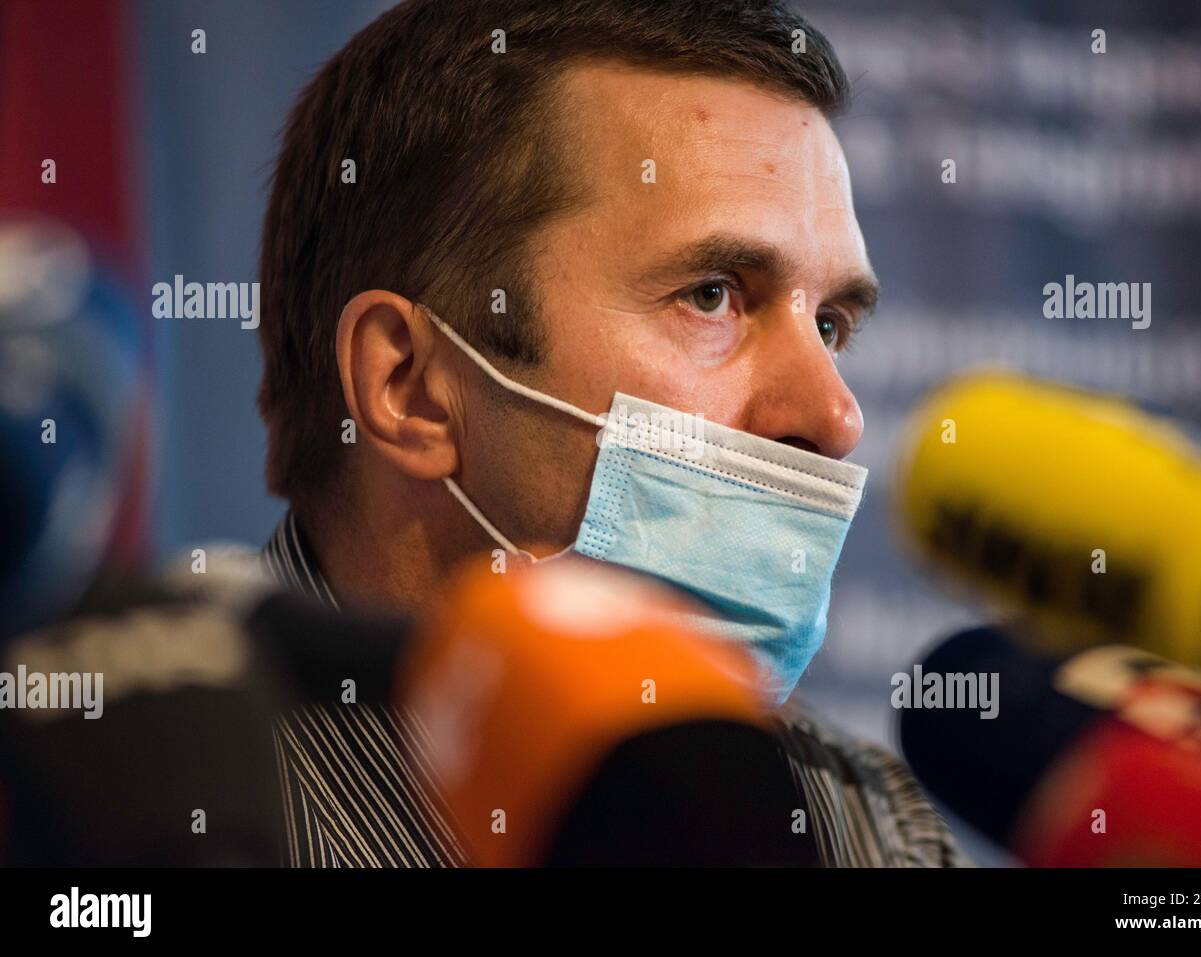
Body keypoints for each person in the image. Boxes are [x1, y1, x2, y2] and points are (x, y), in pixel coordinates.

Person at [255, 0, 962, 868]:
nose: (836, 417)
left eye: (830, 324)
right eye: (713, 294)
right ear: (413, 388)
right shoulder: (141, 819)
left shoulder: (857, 827)